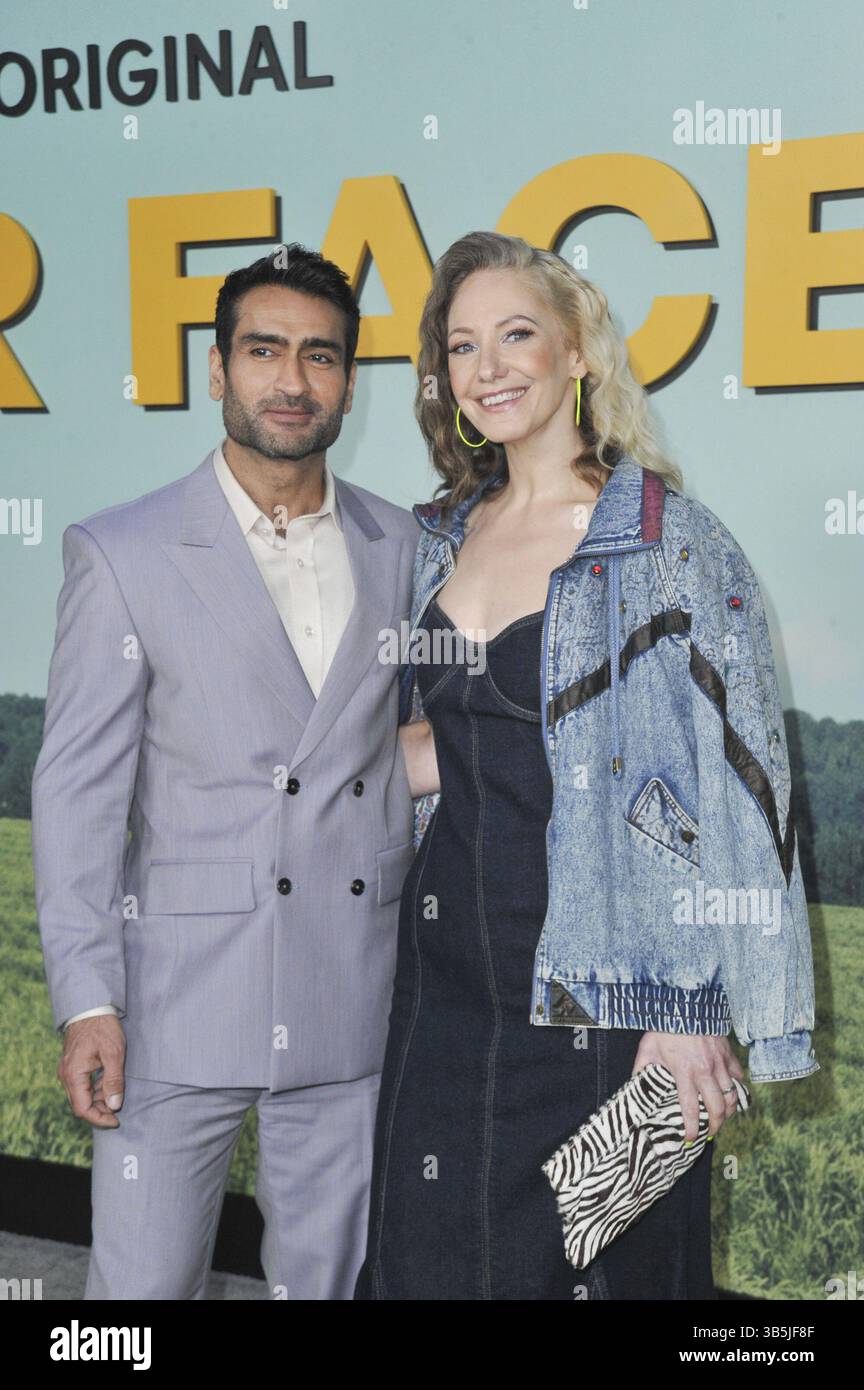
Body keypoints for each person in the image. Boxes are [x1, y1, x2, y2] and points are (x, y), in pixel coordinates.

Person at [354, 231, 819, 1301]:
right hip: (442, 992)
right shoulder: (436, 537)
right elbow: (451, 747)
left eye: (518, 333)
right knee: (427, 1261)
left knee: (603, 1272)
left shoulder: (669, 539)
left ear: (579, 352)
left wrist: (694, 1005)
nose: (491, 365)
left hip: (614, 995)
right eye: (463, 346)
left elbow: (749, 789)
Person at [31, 245, 420, 1299]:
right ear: (217, 370)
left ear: (349, 378)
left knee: (325, 1290)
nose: (292, 381)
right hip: (174, 1006)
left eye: (321, 357)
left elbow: (405, 745)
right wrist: (86, 1001)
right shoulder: (124, 552)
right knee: (137, 1301)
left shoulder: (405, 548)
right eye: (264, 351)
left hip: (351, 996)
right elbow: (77, 795)